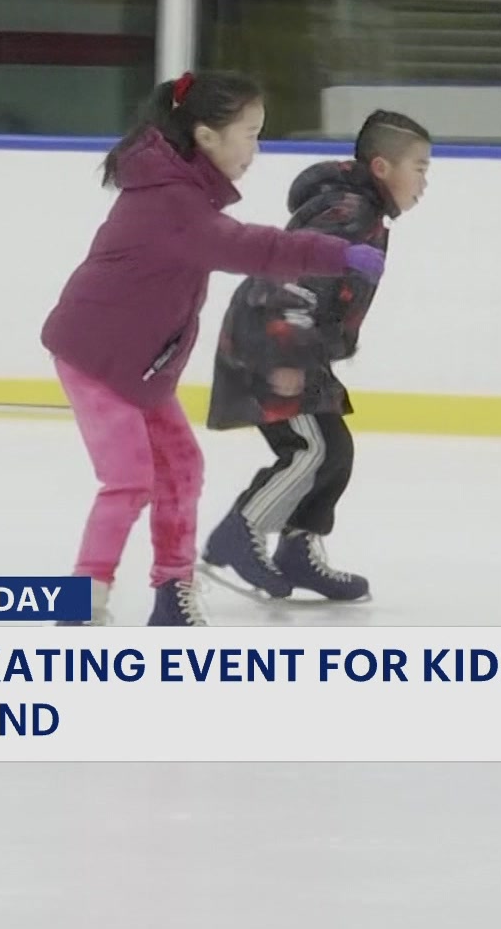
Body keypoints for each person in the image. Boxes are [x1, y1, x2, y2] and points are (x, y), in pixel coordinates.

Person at [41, 71, 387, 627]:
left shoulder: (180, 190)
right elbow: (250, 247)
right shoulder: (172, 202)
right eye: (249, 133)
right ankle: (84, 596)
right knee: (130, 478)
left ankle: (172, 592)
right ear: (205, 137)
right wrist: (335, 254)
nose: (256, 147)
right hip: (97, 357)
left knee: (181, 467)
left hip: (142, 362)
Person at [199, 110, 432, 602]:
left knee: (334, 451)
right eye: (420, 167)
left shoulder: (361, 210)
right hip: (274, 336)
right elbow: (295, 274)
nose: (425, 181)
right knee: (310, 449)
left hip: (293, 339)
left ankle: (298, 550)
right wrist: (288, 354)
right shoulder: (351, 213)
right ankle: (238, 534)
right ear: (383, 168)